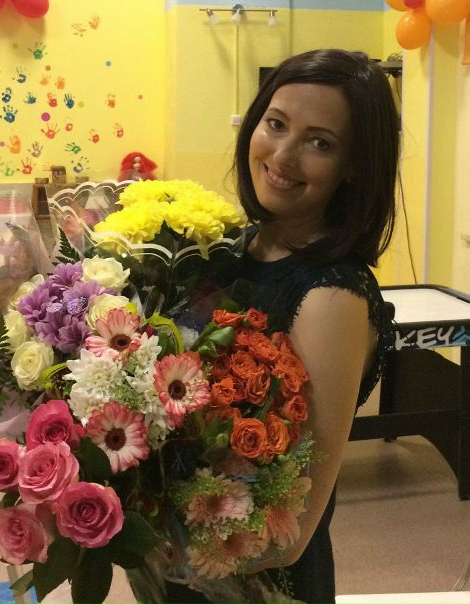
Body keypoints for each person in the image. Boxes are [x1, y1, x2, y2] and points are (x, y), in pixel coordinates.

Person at [166, 49, 399, 603]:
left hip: (259, 584)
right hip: (183, 563)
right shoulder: (233, 249)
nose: (283, 155)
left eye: (320, 143)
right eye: (276, 124)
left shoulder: (331, 298)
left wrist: (141, 539)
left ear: (354, 166)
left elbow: (291, 527)